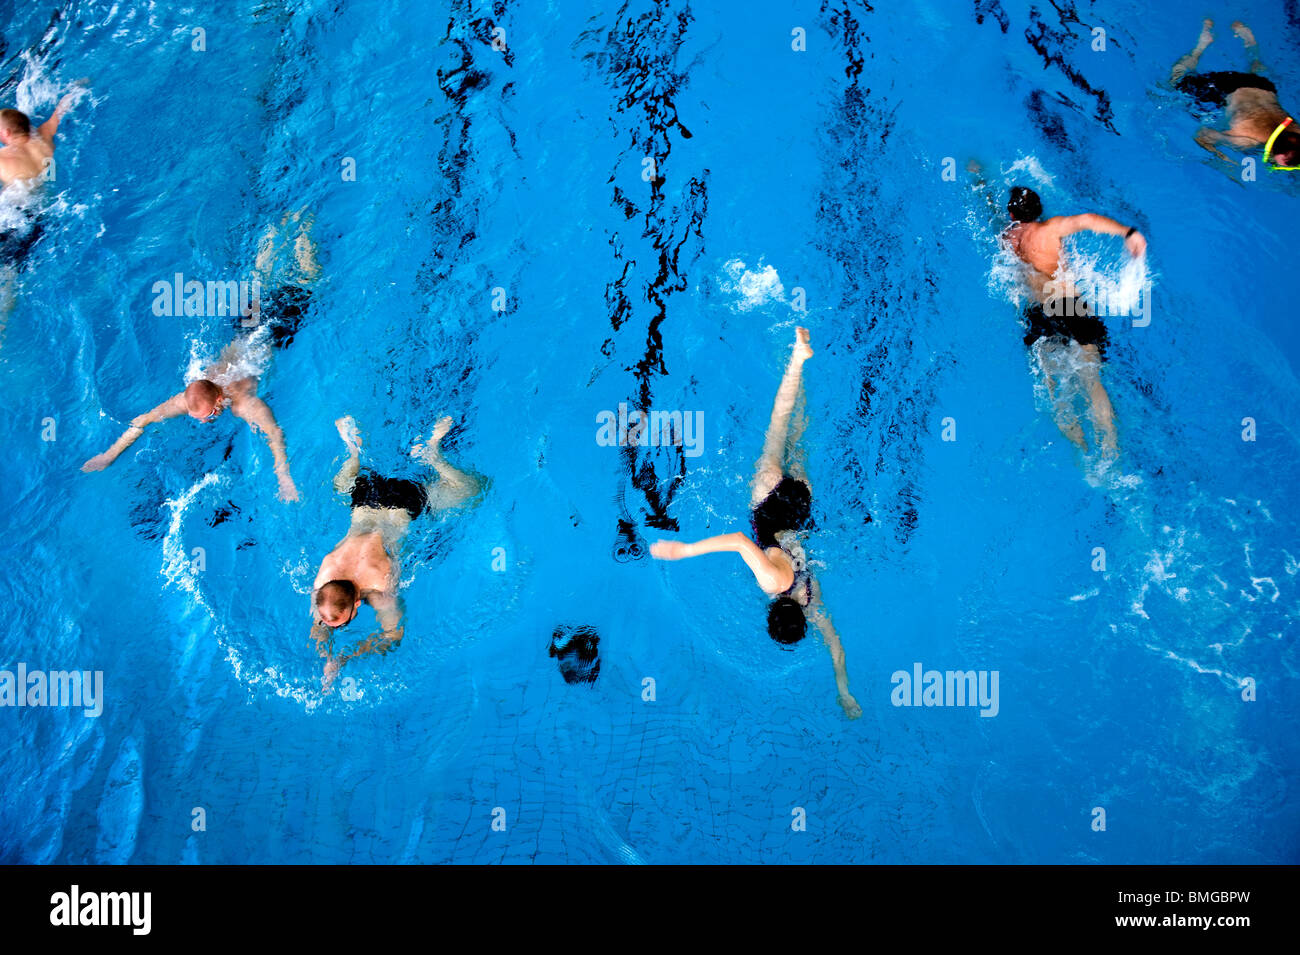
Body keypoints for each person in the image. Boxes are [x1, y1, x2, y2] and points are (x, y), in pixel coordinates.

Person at [649, 327, 861, 720]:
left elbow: (837, 648)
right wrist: (685, 551)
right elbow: (740, 541)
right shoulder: (773, 584)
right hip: (767, 501)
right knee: (778, 424)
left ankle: (804, 376)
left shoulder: (812, 601)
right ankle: (797, 359)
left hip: (799, 507)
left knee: (799, 433)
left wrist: (845, 693)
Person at [79, 214, 319, 500]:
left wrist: (284, 478)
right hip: (246, 326)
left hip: (274, 329)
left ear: (219, 401)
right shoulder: (187, 398)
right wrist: (109, 455)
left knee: (306, 280)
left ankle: (305, 224)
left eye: (208, 416)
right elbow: (142, 420)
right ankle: (281, 225)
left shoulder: (243, 404)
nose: (205, 421)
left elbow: (275, 435)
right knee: (260, 278)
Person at [311, 414, 482, 692]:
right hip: (365, 495)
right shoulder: (326, 572)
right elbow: (323, 619)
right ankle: (354, 450)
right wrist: (327, 656)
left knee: (475, 490)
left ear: (356, 606)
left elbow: (392, 635)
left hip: (405, 504)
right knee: (339, 486)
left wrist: (342, 658)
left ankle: (433, 455)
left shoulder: (379, 586)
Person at [1001, 185, 1146, 459]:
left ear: (1011, 214)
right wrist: (1128, 233)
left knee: (1053, 386)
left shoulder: (1008, 237)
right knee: (1091, 381)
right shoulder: (1050, 229)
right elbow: (1088, 220)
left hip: (1037, 313)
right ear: (1040, 211)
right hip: (1068, 305)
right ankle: (1110, 452)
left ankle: (1080, 452)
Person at [1170, 19, 1300, 169]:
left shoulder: (1297, 128)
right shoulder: (1246, 141)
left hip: (1262, 86)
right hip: (1227, 87)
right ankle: (1201, 45)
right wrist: (1226, 162)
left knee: (1258, 70)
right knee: (1175, 81)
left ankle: (1250, 42)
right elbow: (1202, 135)